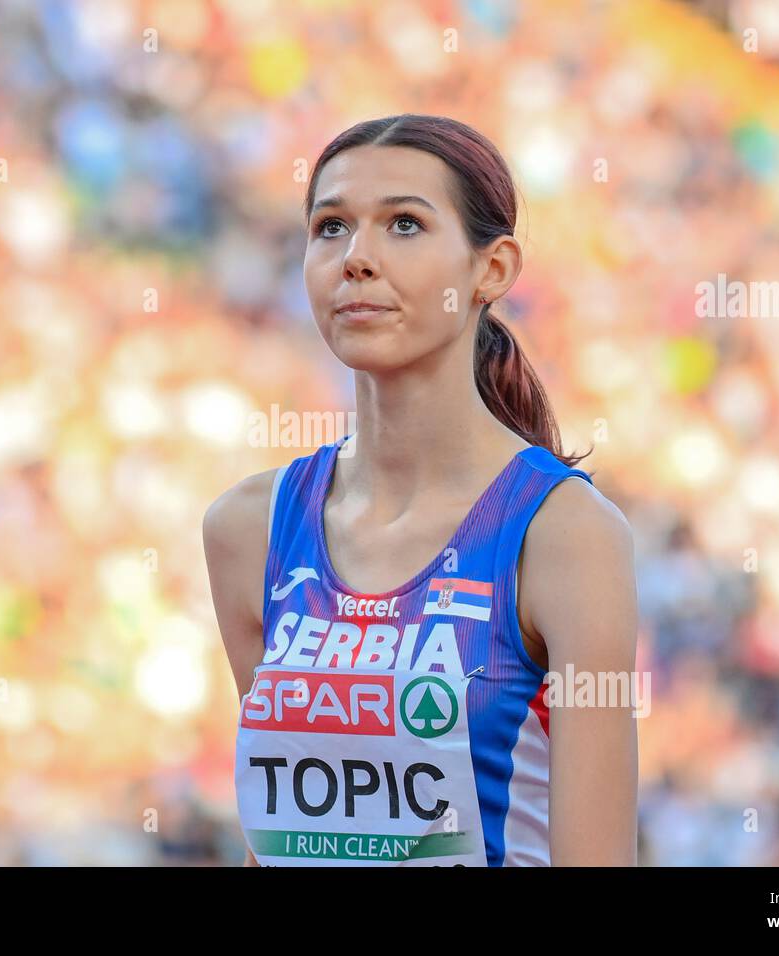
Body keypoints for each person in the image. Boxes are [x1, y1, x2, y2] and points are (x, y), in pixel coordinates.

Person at [203, 114, 638, 866]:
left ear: (492, 269)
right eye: (330, 228)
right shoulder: (248, 529)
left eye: (404, 224)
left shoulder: (564, 536)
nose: (357, 259)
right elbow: (274, 840)